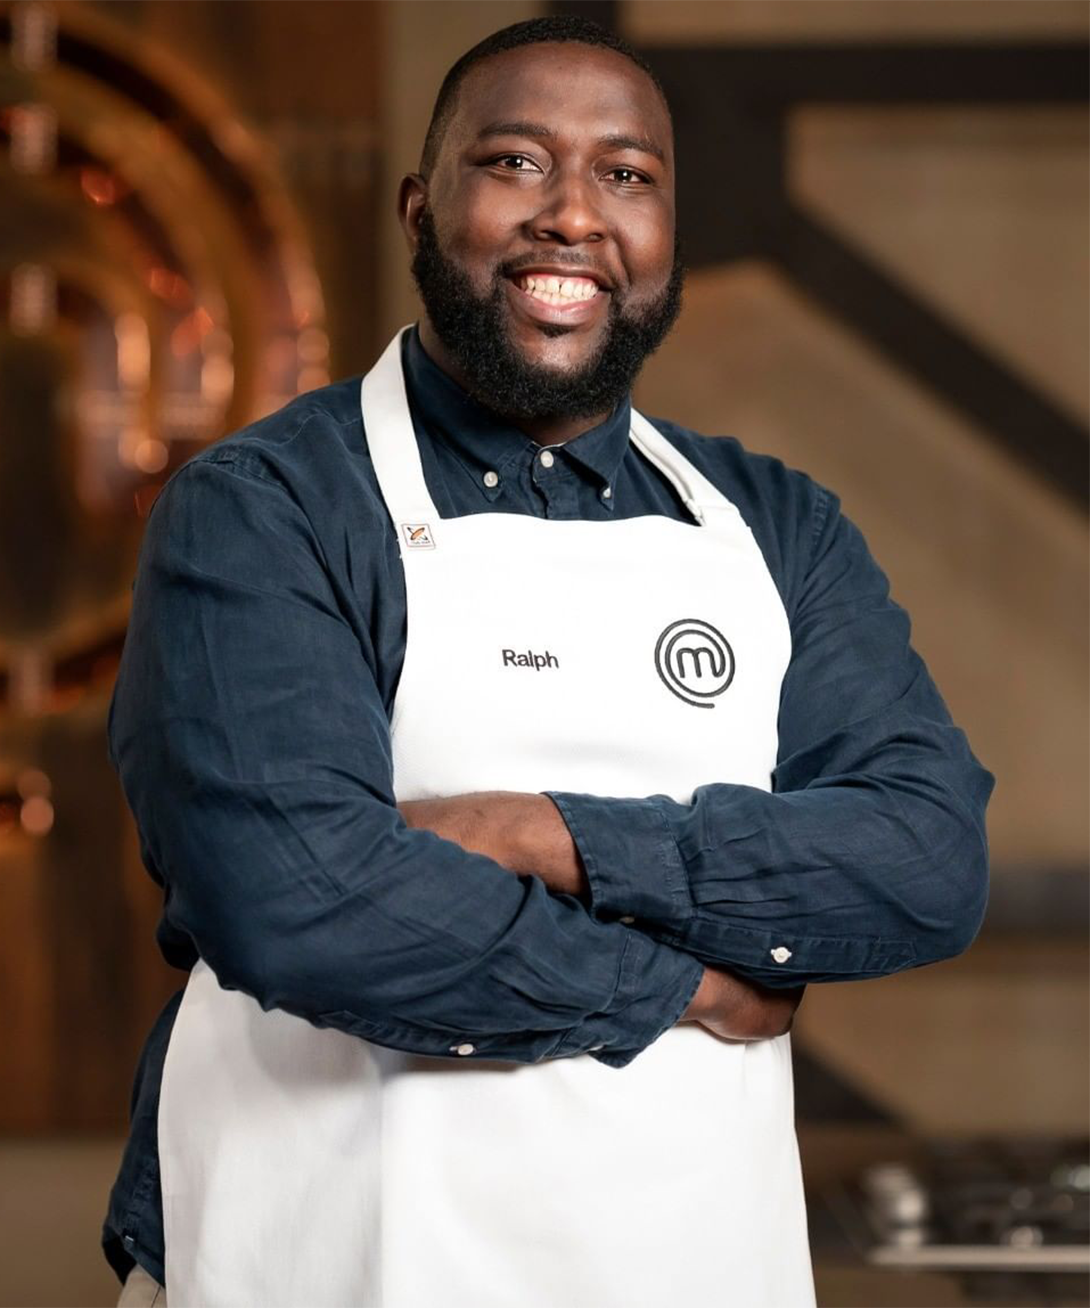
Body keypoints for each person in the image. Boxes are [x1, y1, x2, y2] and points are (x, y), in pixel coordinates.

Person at [105, 16, 992, 1308]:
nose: (573, 215)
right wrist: (680, 984)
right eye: (515, 162)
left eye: (625, 175)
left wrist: (542, 833)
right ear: (420, 210)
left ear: (669, 231)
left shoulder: (777, 528)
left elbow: (923, 861)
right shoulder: (268, 509)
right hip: (324, 1258)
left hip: (689, 1263)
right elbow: (298, 901)